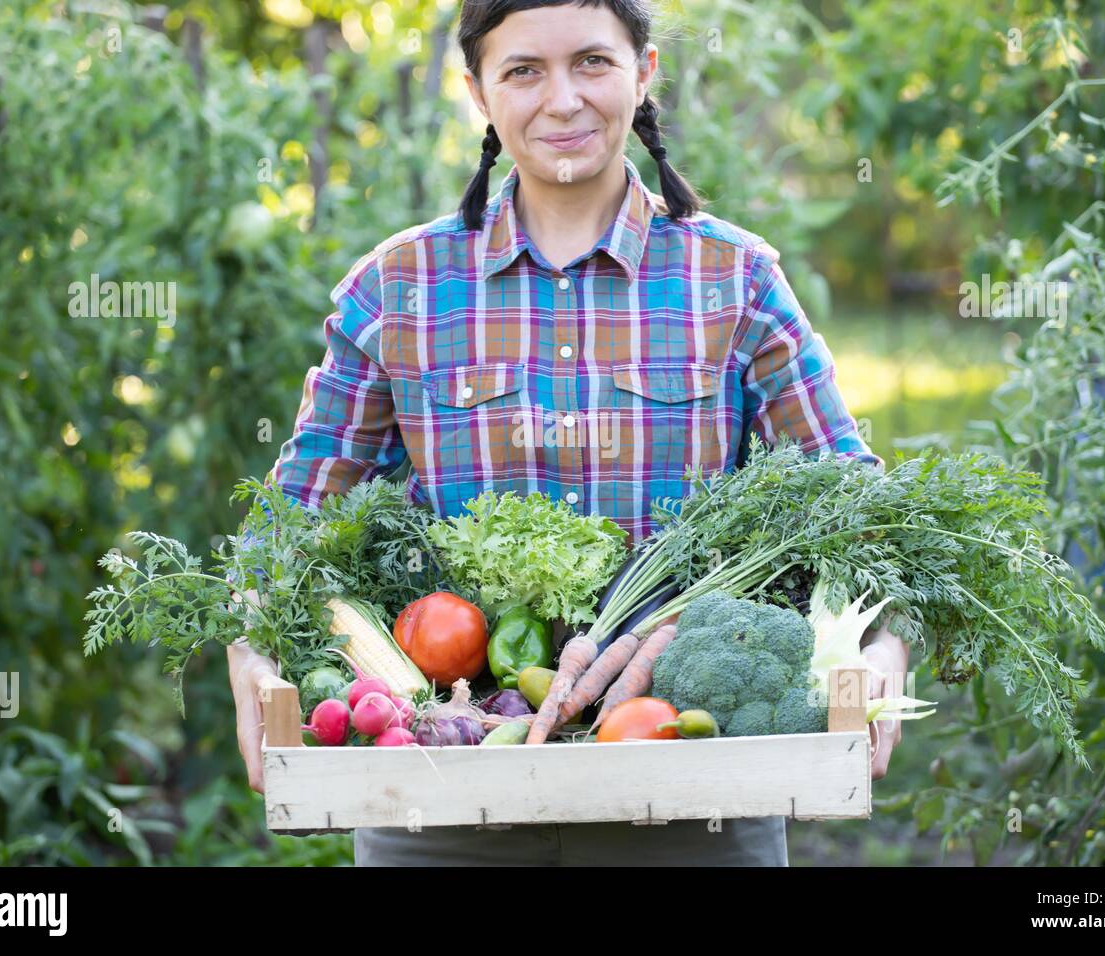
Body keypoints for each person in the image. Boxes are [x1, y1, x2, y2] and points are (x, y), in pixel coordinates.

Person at [228, 0, 910, 866]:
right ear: (476, 90)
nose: (563, 100)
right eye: (523, 70)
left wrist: (880, 643)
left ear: (644, 72)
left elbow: (858, 504)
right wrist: (250, 651)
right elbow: (290, 518)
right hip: (441, 793)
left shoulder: (733, 281)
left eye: (592, 61)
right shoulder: (399, 288)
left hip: (695, 792)